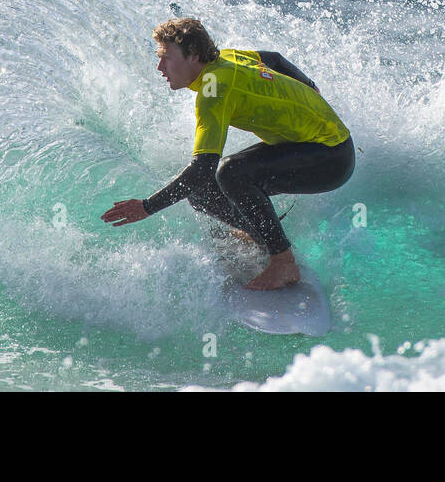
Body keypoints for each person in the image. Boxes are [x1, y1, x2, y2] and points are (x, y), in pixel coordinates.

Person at [100, 18, 354, 290]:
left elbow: (202, 168)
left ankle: (283, 261)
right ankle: (259, 234)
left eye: (167, 58)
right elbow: (276, 60)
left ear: (193, 56)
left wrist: (147, 207)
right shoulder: (224, 58)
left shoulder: (213, 88)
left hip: (331, 156)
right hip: (308, 145)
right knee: (200, 190)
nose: (160, 67)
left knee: (229, 172)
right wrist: (309, 85)